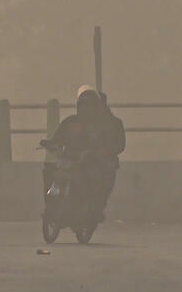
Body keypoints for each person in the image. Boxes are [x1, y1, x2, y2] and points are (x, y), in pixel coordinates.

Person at [41, 88, 127, 224]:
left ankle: (94, 209)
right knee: (49, 171)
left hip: (93, 162)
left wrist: (100, 152)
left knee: (97, 176)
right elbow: (58, 138)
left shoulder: (108, 124)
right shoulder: (71, 122)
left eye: (89, 106)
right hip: (70, 160)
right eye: (82, 105)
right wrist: (52, 144)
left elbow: (117, 145)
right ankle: (51, 206)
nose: (85, 109)